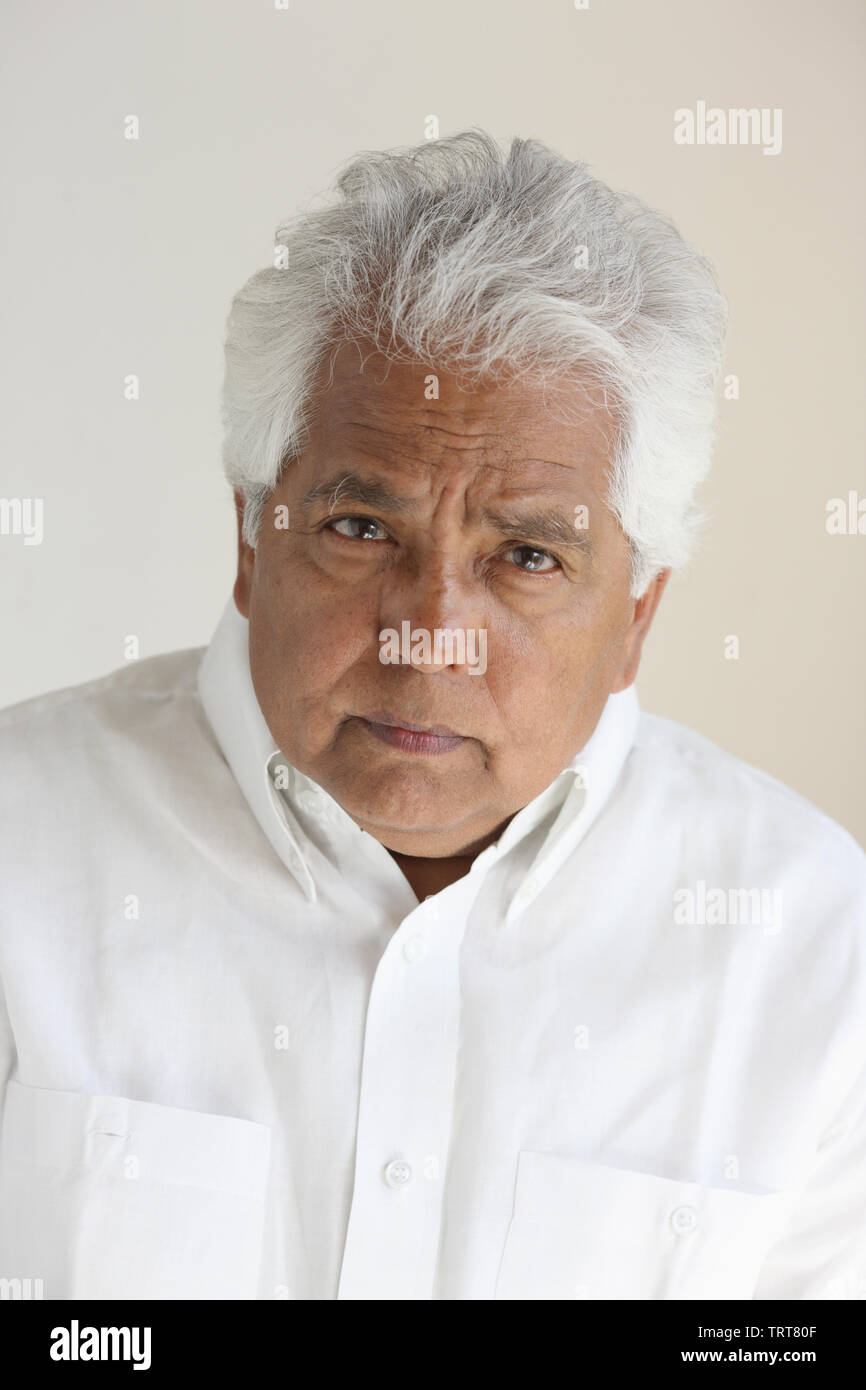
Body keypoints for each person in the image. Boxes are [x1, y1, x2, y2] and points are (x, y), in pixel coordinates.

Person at [0, 130, 863, 1301]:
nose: (429, 638)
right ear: (252, 541)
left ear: (637, 616)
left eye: (524, 555)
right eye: (363, 529)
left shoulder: (810, 943)